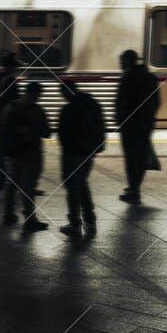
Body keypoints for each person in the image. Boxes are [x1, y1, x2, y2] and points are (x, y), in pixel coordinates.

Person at [57, 79, 108, 241]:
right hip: (88, 152)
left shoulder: (69, 109)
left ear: (65, 92)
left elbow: (63, 134)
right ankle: (90, 221)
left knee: (73, 188)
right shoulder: (91, 103)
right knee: (82, 184)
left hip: (73, 154)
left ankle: (75, 223)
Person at [0, 80, 51, 232]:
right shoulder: (36, 110)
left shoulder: (9, 107)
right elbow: (46, 132)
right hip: (30, 154)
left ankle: (8, 215)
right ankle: (30, 220)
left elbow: (3, 128)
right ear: (36, 94)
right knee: (28, 187)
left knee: (12, 183)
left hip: (11, 153)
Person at [115, 48, 161, 206]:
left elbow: (121, 102)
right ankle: (134, 187)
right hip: (145, 123)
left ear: (129, 61)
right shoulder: (150, 77)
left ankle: (134, 190)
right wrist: (148, 118)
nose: (120, 64)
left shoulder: (127, 78)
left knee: (131, 158)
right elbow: (156, 102)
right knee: (139, 157)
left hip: (130, 125)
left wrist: (120, 119)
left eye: (122, 61)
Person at [0, 51, 22, 192]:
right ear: (10, 66)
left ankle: (1, 181)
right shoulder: (9, 80)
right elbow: (14, 102)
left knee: (1, 152)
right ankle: (11, 181)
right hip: (8, 122)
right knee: (9, 152)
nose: (16, 69)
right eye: (15, 66)